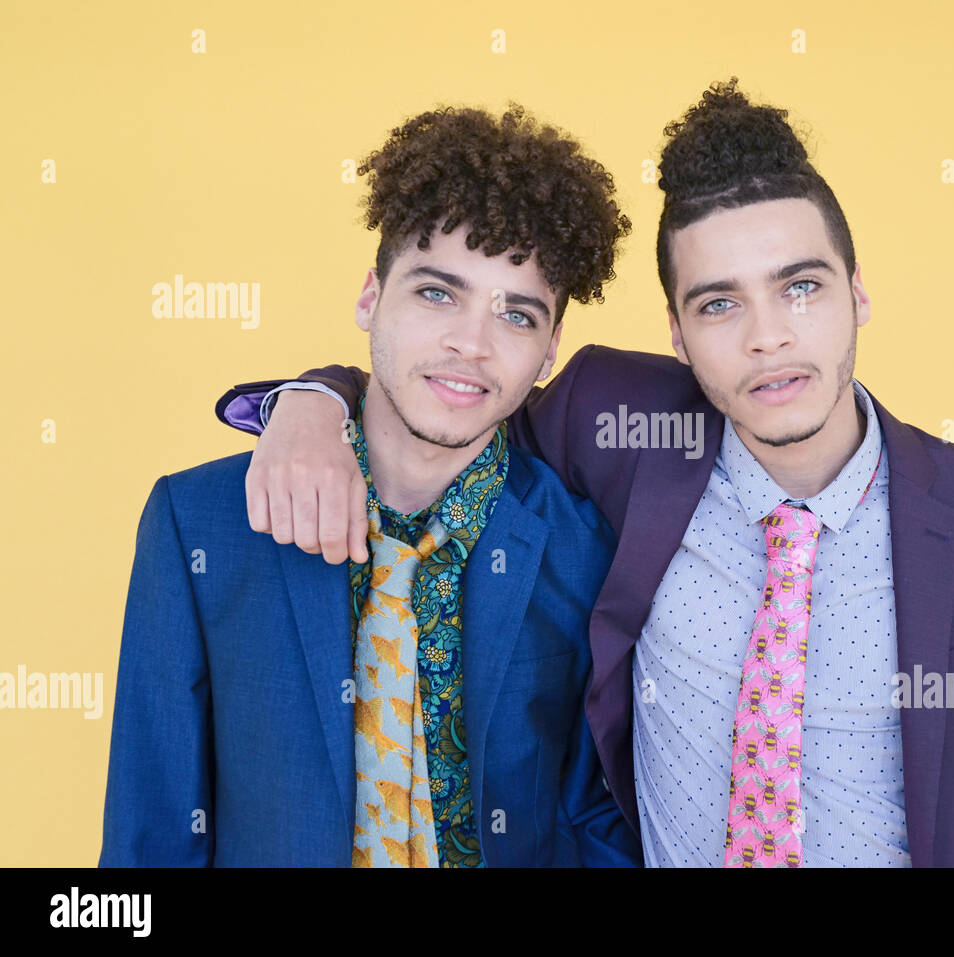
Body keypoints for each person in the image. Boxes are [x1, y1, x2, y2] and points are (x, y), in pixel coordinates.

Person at [214, 79, 954, 867]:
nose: (767, 336)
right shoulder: (622, 428)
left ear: (857, 291)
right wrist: (313, 400)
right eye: (720, 303)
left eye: (800, 287)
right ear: (676, 332)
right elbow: (452, 397)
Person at [100, 103, 641, 867]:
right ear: (369, 297)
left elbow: (595, 814)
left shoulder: (582, 547)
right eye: (437, 293)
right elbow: (151, 834)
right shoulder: (199, 526)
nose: (471, 344)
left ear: (550, 350)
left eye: (516, 316)